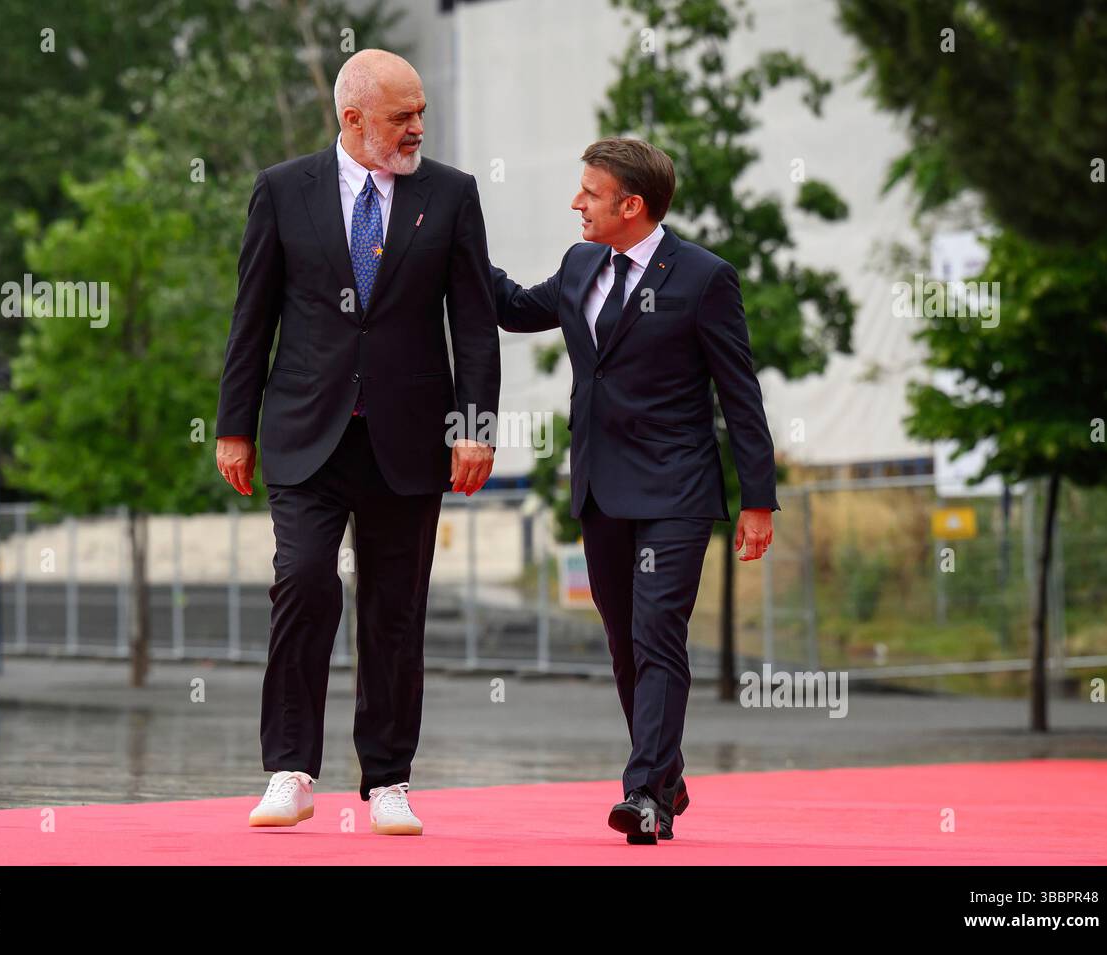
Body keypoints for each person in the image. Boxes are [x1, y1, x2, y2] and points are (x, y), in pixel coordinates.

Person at [214, 49, 500, 836]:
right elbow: (253, 317)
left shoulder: (450, 195)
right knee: (304, 582)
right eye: (401, 115)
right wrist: (233, 424)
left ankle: (389, 780)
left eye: (420, 114)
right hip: (306, 431)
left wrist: (475, 425)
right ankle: (289, 769)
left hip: (408, 438)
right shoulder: (282, 190)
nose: (416, 127)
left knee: (395, 612)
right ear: (353, 118)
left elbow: (472, 323)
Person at [491, 137, 778, 843]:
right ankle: (669, 773)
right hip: (599, 489)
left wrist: (760, 500)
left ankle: (644, 792)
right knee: (625, 644)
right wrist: (452, 239)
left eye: (589, 192)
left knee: (658, 636)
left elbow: (740, 395)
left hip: (677, 488)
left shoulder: (705, 278)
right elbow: (515, 309)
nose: (575, 203)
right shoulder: (581, 262)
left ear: (632, 204)